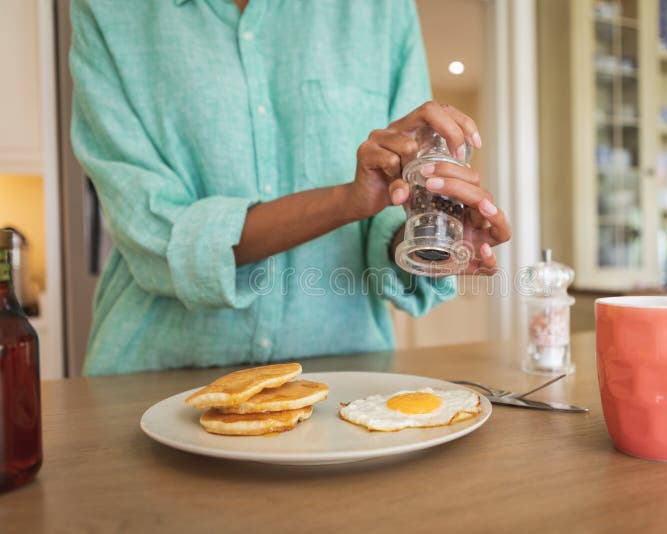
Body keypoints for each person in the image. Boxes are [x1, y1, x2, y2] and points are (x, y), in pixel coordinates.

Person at [70, 0, 512, 375]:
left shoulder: (381, 9)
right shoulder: (109, 11)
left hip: (342, 393)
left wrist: (428, 232)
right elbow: (159, 237)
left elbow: (396, 203)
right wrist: (344, 201)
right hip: (153, 382)